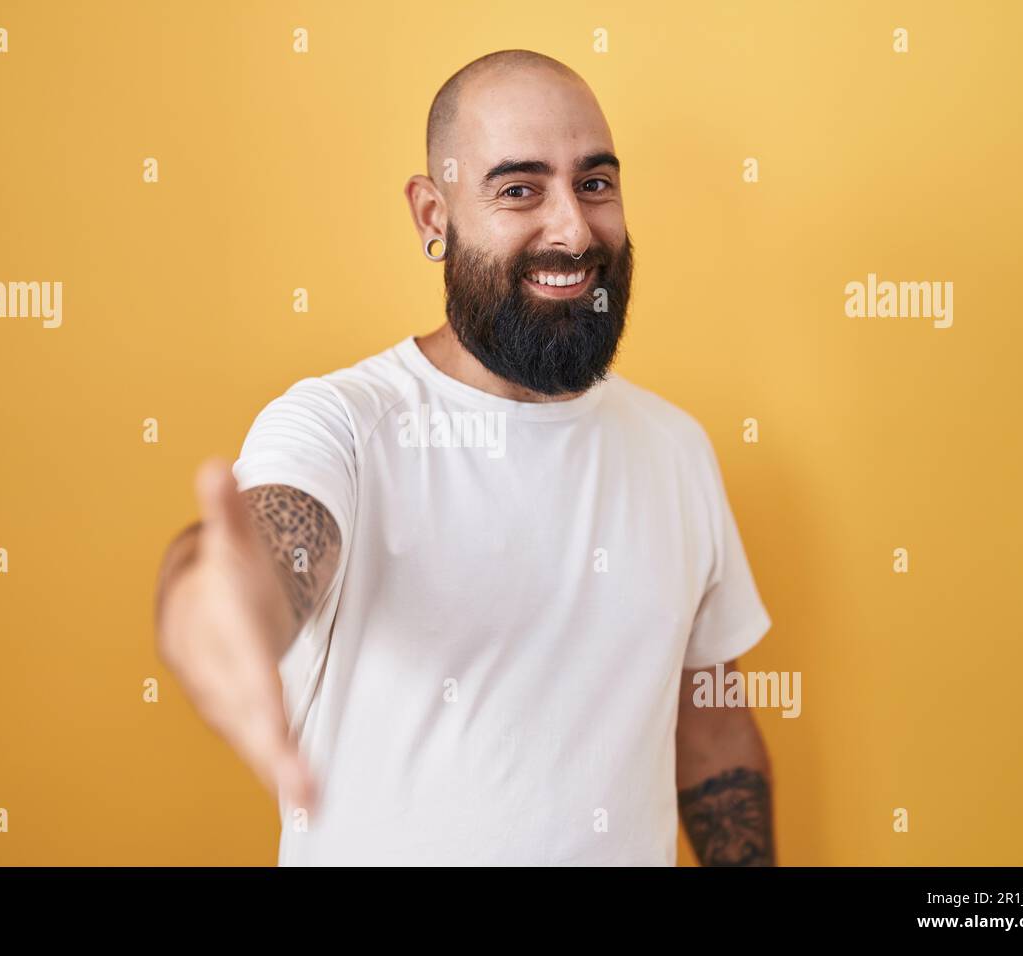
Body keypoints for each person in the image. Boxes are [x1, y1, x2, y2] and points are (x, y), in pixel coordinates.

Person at [154, 49, 776, 866]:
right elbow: (265, 554)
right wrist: (219, 609)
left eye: (594, 183)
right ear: (432, 217)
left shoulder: (675, 449)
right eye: (519, 189)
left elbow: (712, 724)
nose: (572, 229)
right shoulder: (340, 425)